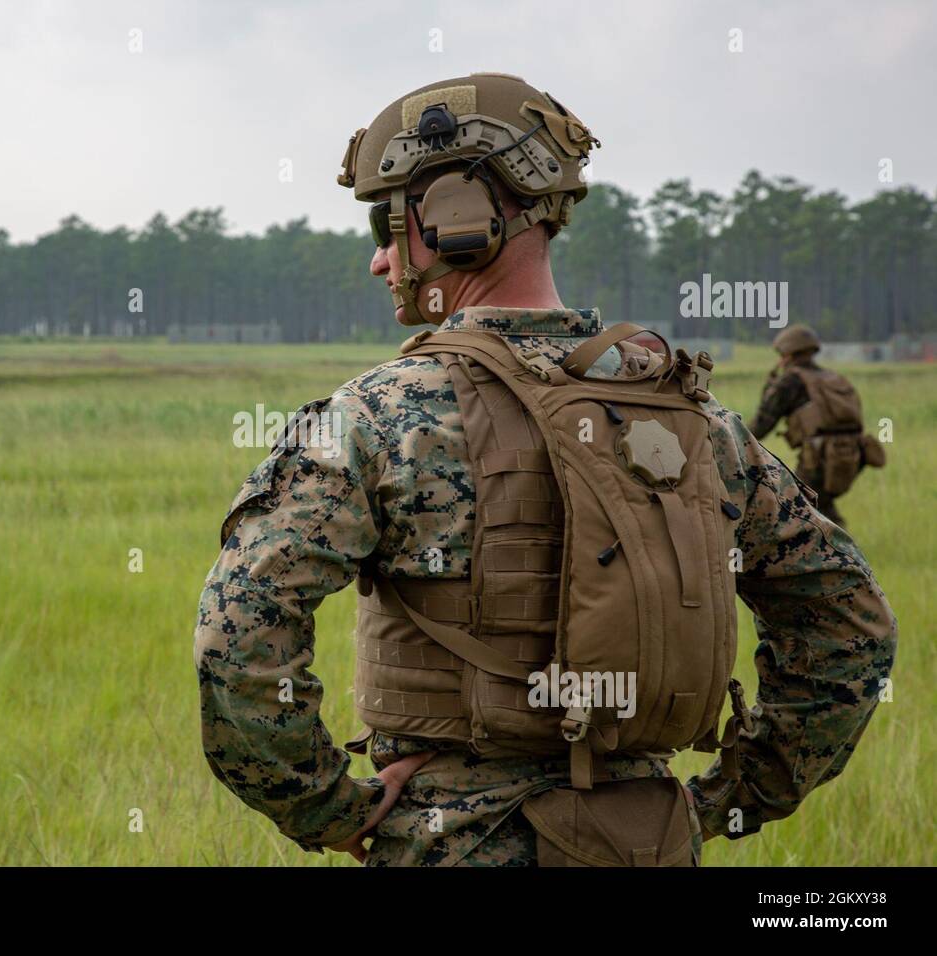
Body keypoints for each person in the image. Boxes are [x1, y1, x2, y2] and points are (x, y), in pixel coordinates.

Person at [193, 74, 897, 865]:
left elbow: (238, 631)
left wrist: (330, 810)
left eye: (388, 225)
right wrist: (727, 802)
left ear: (456, 220)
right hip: (649, 843)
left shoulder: (378, 417)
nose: (379, 259)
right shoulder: (697, 421)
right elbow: (850, 623)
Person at [750, 324, 884, 527]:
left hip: (819, 457)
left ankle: (837, 555)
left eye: (781, 354)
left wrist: (732, 440)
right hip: (852, 456)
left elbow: (761, 425)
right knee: (821, 506)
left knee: (796, 510)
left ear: (788, 353)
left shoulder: (790, 381)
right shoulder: (832, 378)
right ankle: (846, 552)